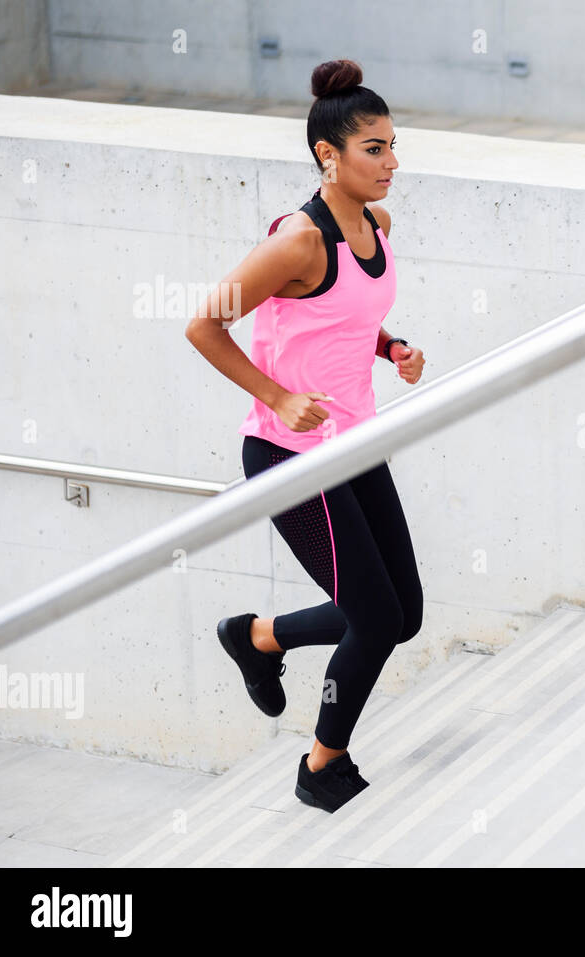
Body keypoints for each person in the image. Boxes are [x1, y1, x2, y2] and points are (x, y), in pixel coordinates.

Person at [184, 58, 425, 813]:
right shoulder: (296, 241)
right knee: (377, 619)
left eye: (392, 145)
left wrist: (391, 348)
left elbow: (344, 317)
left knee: (403, 613)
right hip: (291, 456)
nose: (392, 162)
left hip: (353, 441)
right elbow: (203, 322)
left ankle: (258, 637)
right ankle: (322, 763)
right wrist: (277, 395)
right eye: (374, 149)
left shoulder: (375, 225)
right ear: (330, 155)